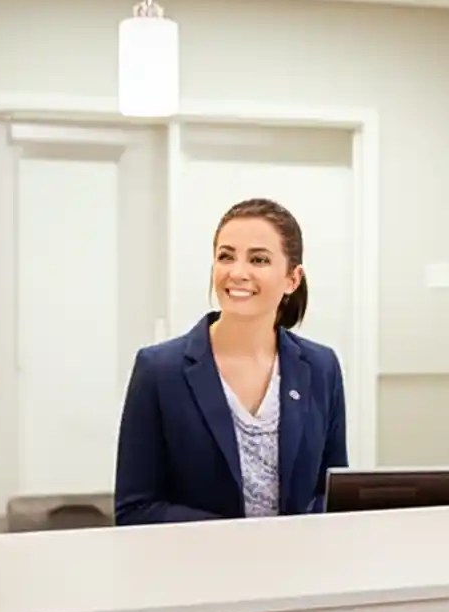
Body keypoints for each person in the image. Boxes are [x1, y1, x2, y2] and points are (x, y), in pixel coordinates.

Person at [115, 198, 348, 525]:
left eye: (259, 259)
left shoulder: (322, 367)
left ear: (291, 280)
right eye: (226, 256)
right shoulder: (159, 370)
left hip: (300, 567)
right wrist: (239, 540)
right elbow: (135, 510)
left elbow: (333, 496)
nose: (238, 273)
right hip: (196, 568)